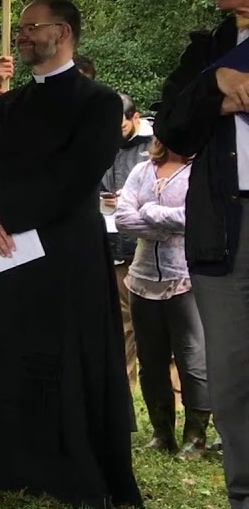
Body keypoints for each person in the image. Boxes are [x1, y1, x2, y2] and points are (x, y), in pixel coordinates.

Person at [0, 0, 141, 507]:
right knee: (4, 349)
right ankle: (5, 458)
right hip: (4, 251)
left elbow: (75, 174)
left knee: (60, 357)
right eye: (21, 28)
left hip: (66, 252)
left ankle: (65, 463)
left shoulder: (99, 101)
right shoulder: (10, 103)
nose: (20, 36)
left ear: (62, 32)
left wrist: (4, 215)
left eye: (29, 27)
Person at [153, 0, 249, 509]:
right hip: (222, 232)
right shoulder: (205, 49)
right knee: (233, 375)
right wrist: (216, 85)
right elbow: (172, 128)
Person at [115, 138, 211, 458]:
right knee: (150, 360)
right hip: (141, 279)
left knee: (191, 359)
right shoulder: (142, 170)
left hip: (184, 277)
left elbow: (197, 218)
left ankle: (195, 438)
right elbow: (123, 219)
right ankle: (162, 433)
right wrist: (166, 225)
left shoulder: (200, 172)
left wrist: (152, 211)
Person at [101, 91, 151, 386]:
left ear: (135, 117)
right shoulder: (103, 142)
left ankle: (176, 391)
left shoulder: (156, 143)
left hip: (147, 244)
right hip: (114, 244)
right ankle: (126, 389)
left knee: (159, 321)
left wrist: (133, 199)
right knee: (124, 321)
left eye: (120, 127)